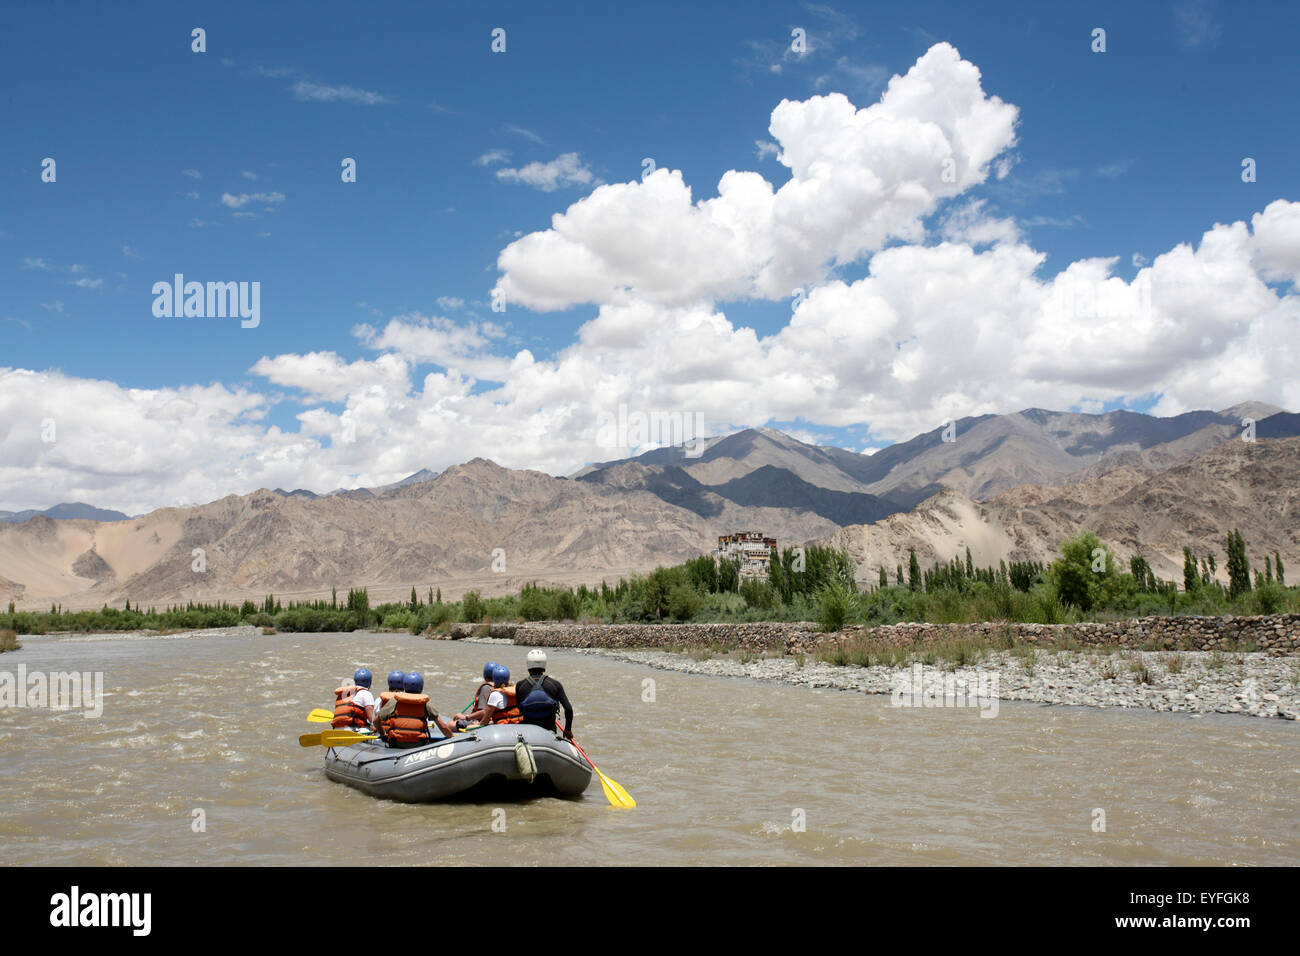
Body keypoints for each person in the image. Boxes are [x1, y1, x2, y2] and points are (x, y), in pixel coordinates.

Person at [374, 671, 458, 744]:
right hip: (418, 744)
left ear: (405, 686)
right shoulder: (425, 703)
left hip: (396, 743)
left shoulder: (394, 701)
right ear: (420, 687)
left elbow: (376, 721)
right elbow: (442, 726)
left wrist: (383, 734)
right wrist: (452, 738)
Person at [513, 649, 574, 739]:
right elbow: (568, 709)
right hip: (549, 730)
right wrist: (568, 729)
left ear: (528, 665)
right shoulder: (555, 684)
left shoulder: (520, 685)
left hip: (527, 731)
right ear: (544, 665)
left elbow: (519, 709)